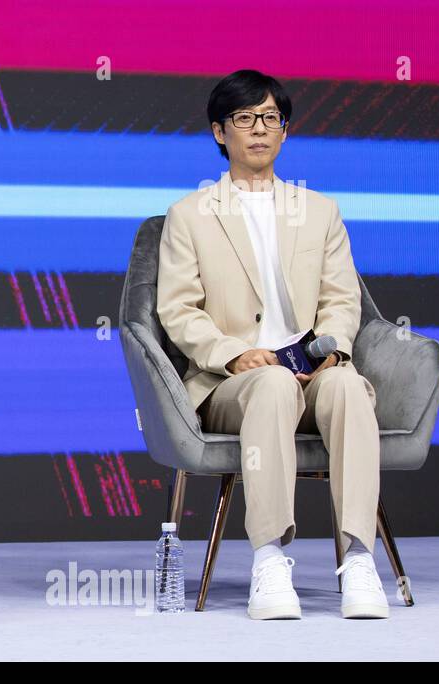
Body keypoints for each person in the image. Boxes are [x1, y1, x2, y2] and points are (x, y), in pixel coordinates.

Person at [156, 70, 389, 620]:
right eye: (244, 119)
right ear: (220, 132)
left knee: (351, 388)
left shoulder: (320, 211)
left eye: (270, 119)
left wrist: (332, 348)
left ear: (284, 132)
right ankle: (269, 557)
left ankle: (358, 558)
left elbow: (341, 299)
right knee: (271, 384)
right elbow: (177, 311)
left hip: (312, 370)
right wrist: (234, 353)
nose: (258, 129)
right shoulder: (189, 215)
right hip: (233, 381)